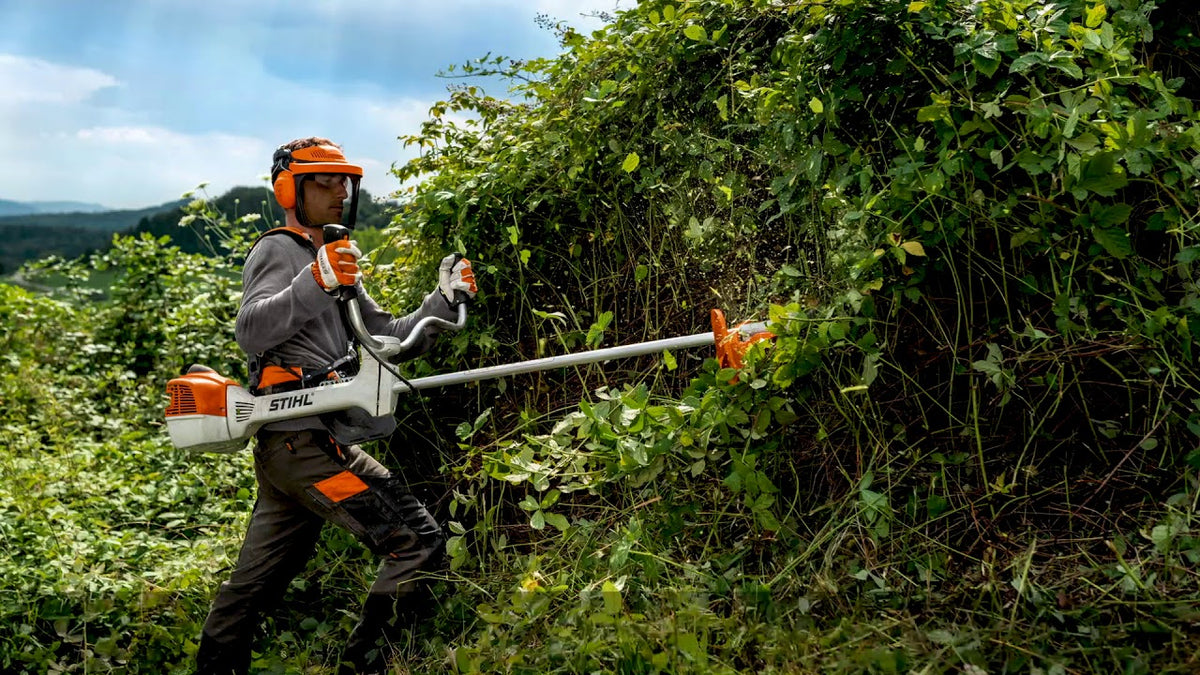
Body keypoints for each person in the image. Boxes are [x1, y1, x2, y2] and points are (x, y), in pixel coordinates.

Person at [194, 137, 477, 675]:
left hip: (309, 447)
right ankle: (363, 667)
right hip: (304, 445)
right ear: (289, 189)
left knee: (254, 584)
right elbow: (251, 331)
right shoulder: (279, 250)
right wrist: (316, 281)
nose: (339, 190)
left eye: (344, 179)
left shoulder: (334, 257)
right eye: (324, 179)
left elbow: (386, 336)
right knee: (414, 541)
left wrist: (442, 302)